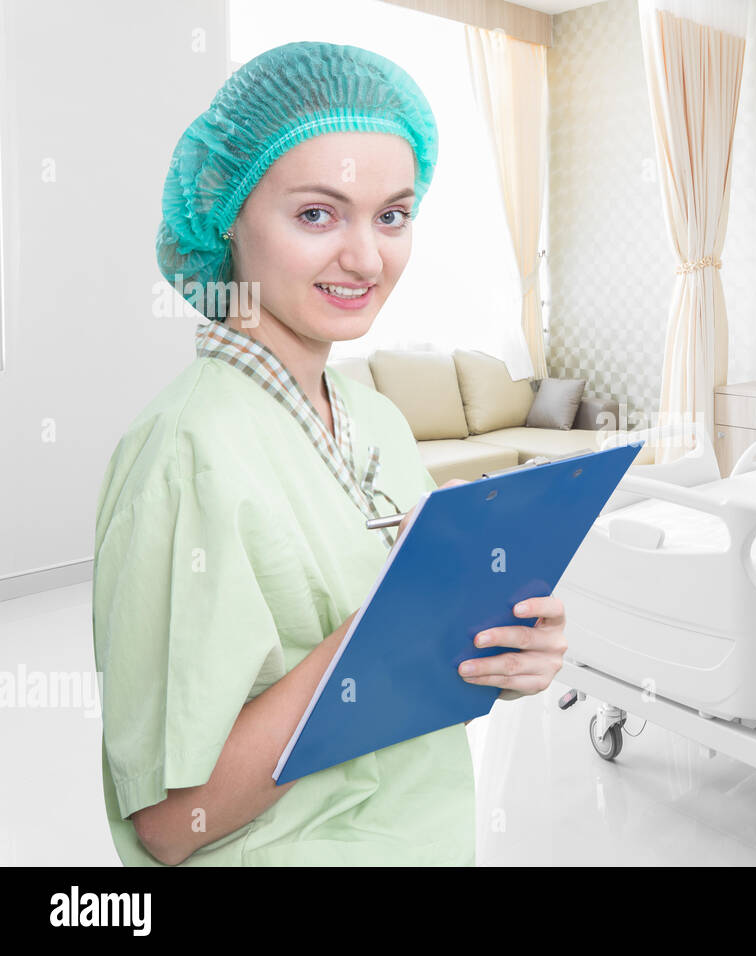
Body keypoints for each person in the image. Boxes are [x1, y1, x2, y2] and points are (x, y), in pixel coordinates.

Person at [90, 40, 565, 866]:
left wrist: (510, 647)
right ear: (227, 215)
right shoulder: (182, 454)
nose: (367, 257)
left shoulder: (373, 419)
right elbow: (171, 825)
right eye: (318, 214)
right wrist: (375, 638)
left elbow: (422, 664)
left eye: (392, 214)